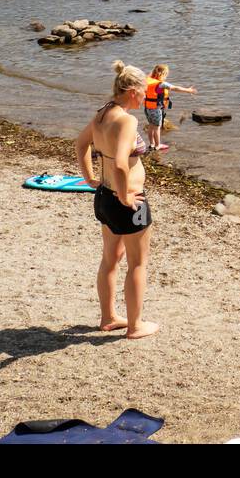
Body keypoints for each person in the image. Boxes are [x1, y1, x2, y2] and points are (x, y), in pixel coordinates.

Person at [75, 60, 159, 340]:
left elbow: (80, 143)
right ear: (133, 91)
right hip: (126, 202)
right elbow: (122, 164)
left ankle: (108, 316)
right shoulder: (126, 119)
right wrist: (126, 197)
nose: (147, 97)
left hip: (104, 197)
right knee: (137, 263)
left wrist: (89, 179)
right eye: (145, 92)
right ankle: (135, 326)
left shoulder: (103, 112)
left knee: (111, 259)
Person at [143, 63, 196, 151]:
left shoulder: (148, 80)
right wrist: (188, 90)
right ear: (162, 74)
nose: (166, 77)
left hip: (147, 108)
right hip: (156, 109)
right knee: (157, 128)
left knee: (151, 126)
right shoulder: (161, 84)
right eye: (166, 74)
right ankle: (157, 145)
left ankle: (151, 144)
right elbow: (175, 88)